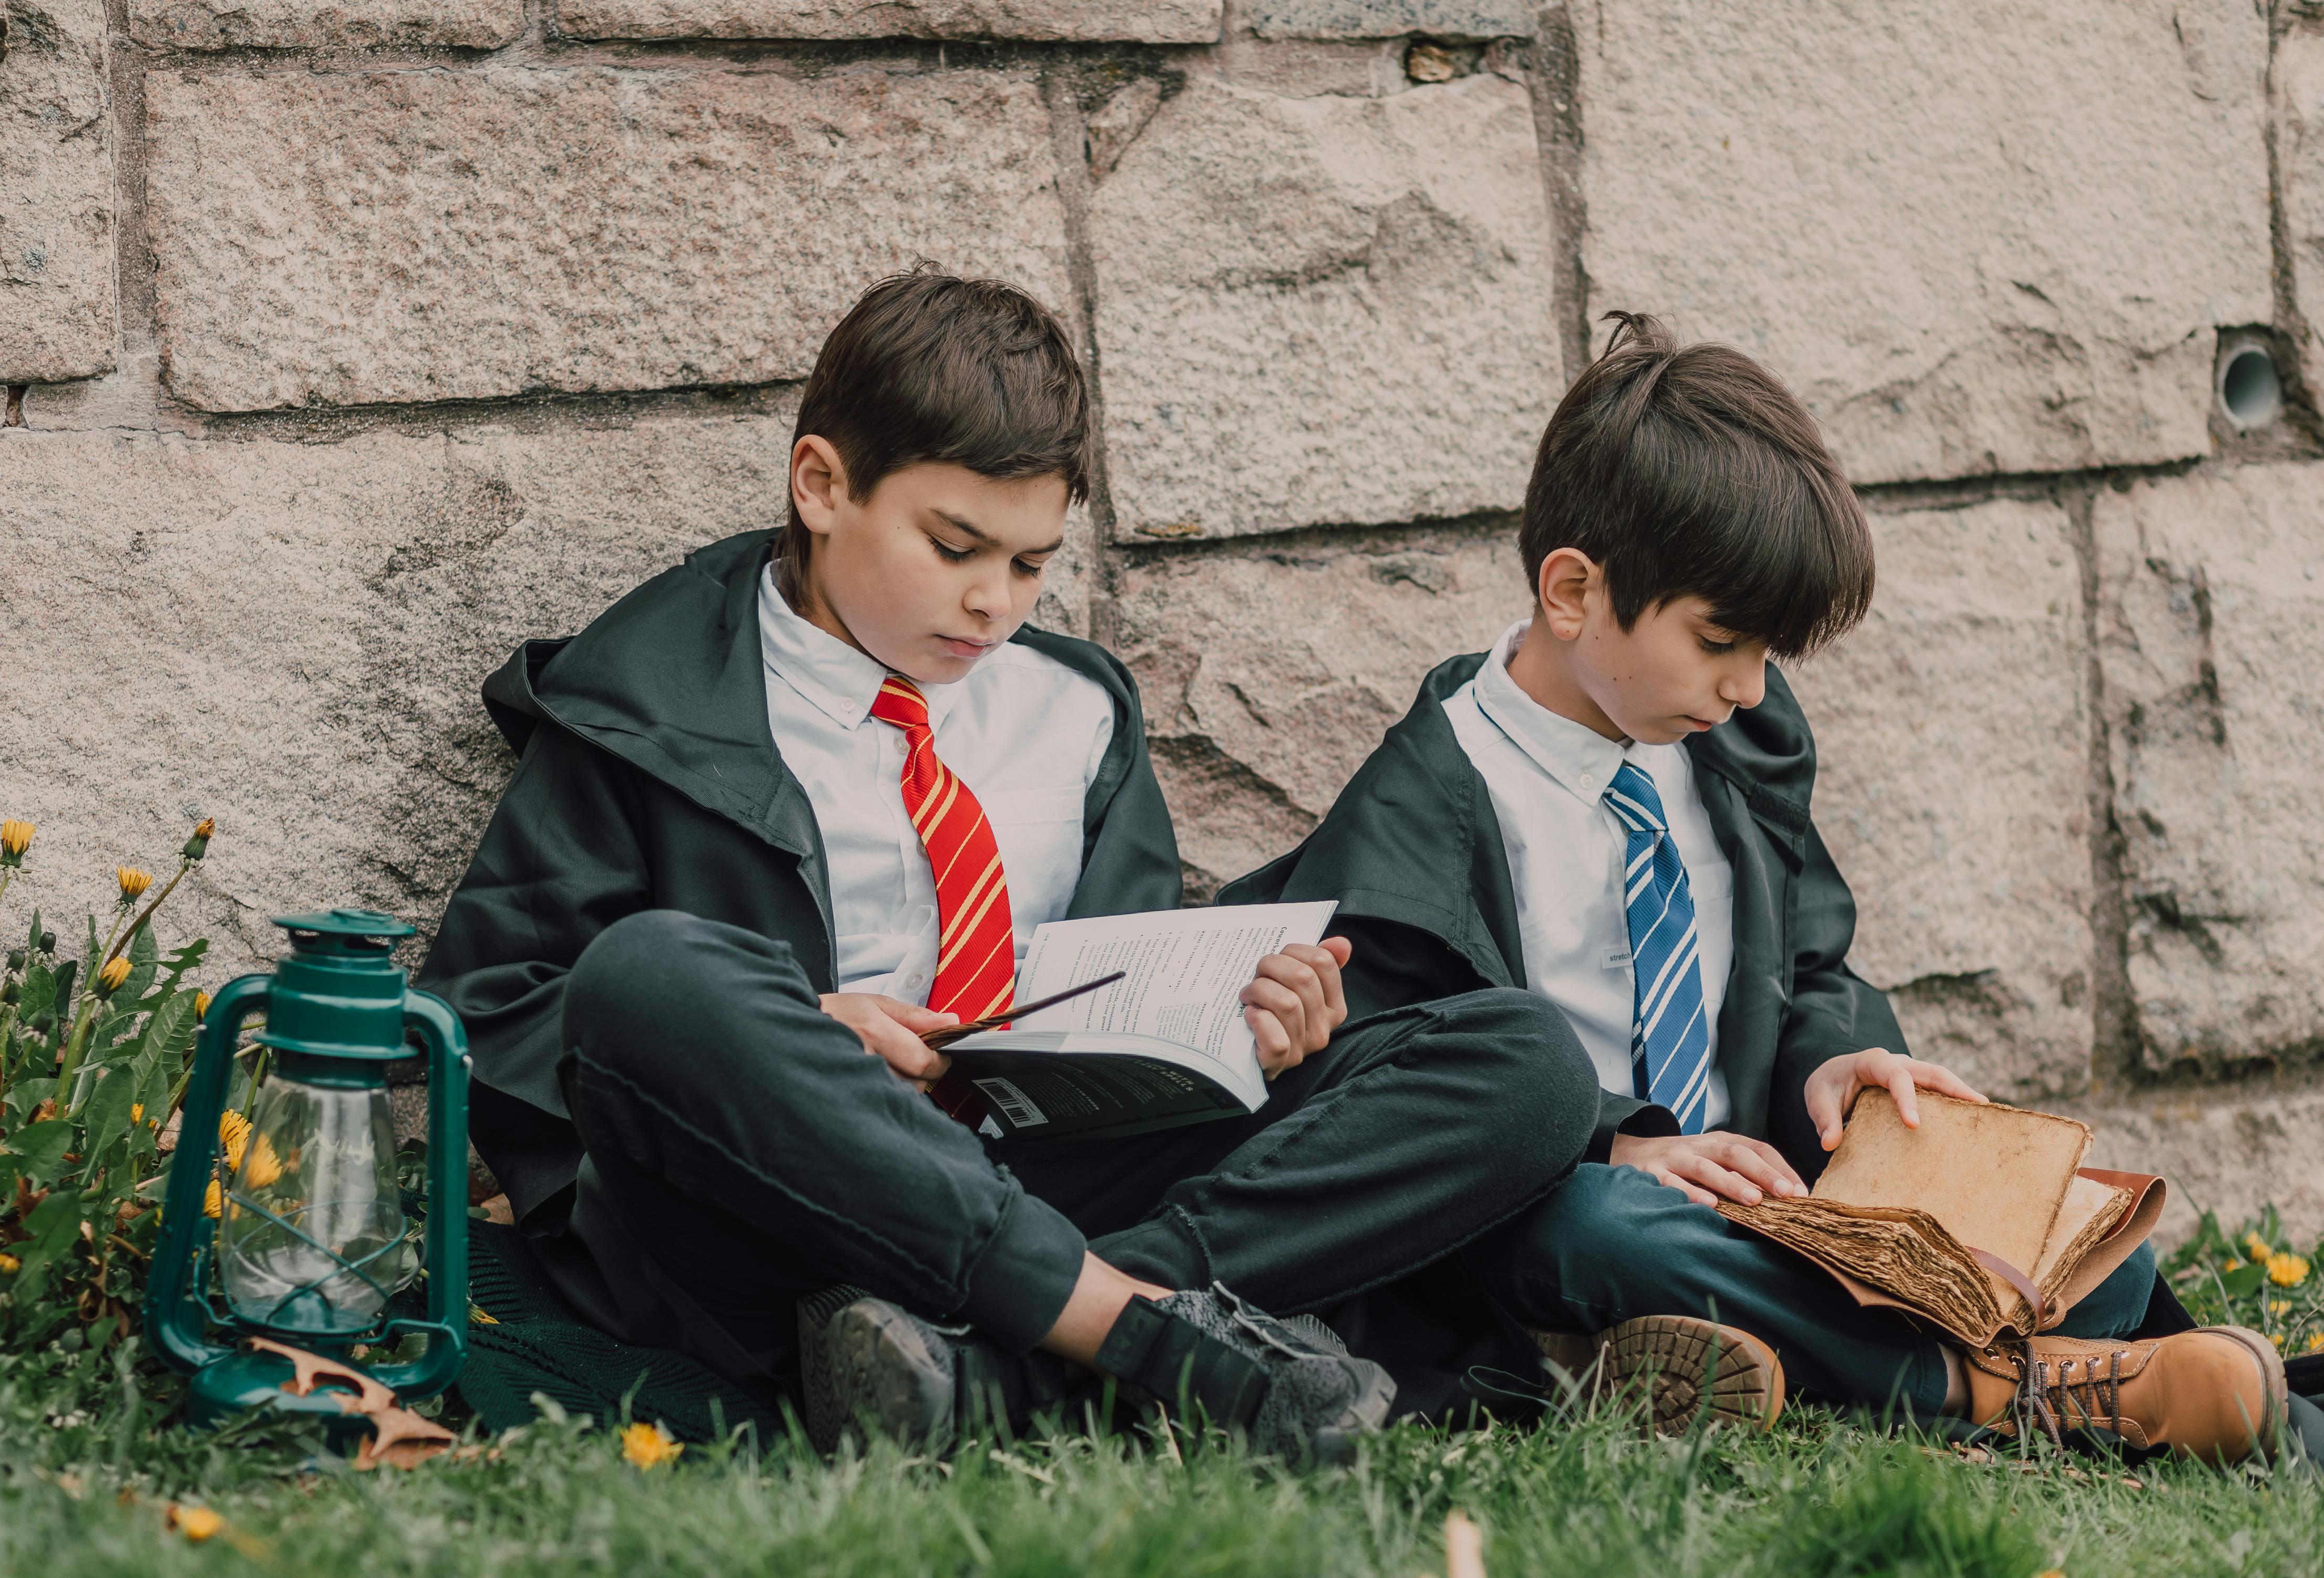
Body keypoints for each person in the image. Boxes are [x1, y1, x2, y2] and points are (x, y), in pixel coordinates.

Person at [417, 268, 1605, 1460]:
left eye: (1032, 564)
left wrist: (1247, 1027)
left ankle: (1003, 1370)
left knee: (1526, 1059)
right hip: (786, 1204)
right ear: (823, 486)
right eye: (954, 547)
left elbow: (1117, 1008)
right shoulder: (650, 698)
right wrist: (812, 1025)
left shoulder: (1077, 709)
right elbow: (497, 1007)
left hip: (1046, 1178)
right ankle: (1146, 1343)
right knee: (654, 974)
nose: (993, 604)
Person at [1221, 313, 2285, 1461]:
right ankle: (2014, 1391)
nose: (1744, 684)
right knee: (1589, 1233)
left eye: (1769, 652)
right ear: (1573, 591)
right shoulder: (1422, 817)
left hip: (1783, 1202)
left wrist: (1836, 1061)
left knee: (2103, 1259)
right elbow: (1393, 1106)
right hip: (1582, 1206)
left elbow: (1807, 963)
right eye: (1722, 639)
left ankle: (1750, 1358)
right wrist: (1613, 1143)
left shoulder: (1735, 740)